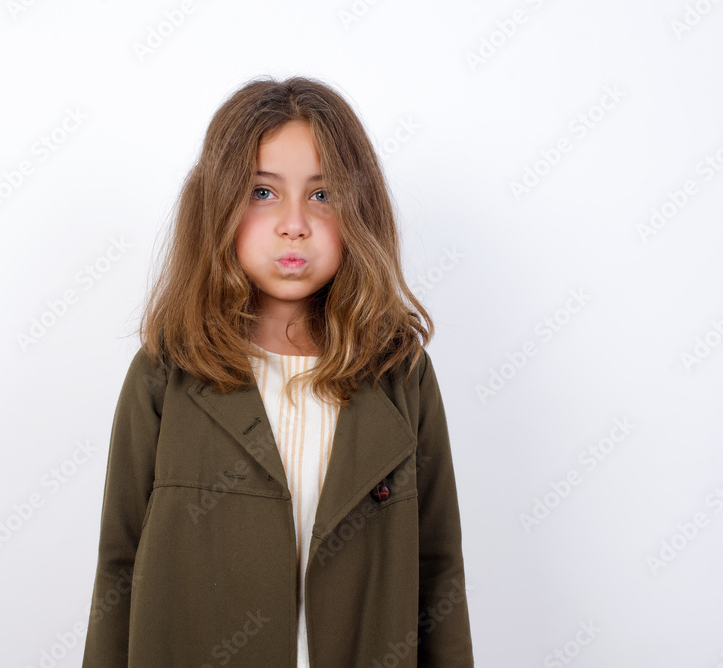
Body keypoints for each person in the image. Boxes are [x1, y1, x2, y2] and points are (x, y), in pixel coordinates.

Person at [81, 75, 474, 667]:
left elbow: (439, 571)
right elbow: (119, 564)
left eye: (323, 194)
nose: (295, 224)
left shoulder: (401, 375)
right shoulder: (165, 373)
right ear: (219, 206)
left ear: (359, 210)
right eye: (262, 192)